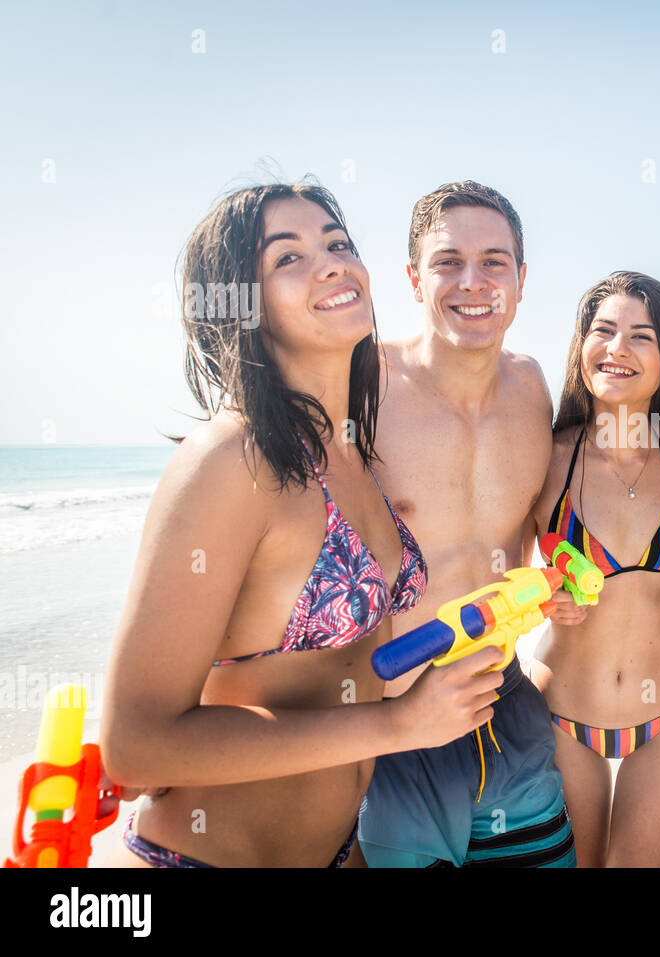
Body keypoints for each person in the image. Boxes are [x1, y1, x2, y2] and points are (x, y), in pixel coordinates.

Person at [99, 183, 502, 867]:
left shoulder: (350, 449)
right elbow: (135, 744)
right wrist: (398, 724)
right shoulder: (233, 458)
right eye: (289, 257)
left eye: (337, 243)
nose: (332, 263)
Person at [357, 181, 576, 868]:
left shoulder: (531, 384)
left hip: (501, 697)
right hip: (393, 723)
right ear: (413, 277)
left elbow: (545, 531)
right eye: (448, 261)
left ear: (520, 279)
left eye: (494, 262)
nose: (472, 281)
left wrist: (568, 581)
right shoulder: (364, 381)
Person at [528, 271, 660, 867]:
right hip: (561, 713)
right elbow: (493, 577)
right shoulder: (546, 455)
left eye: (642, 336)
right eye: (603, 330)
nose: (617, 348)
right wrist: (541, 596)